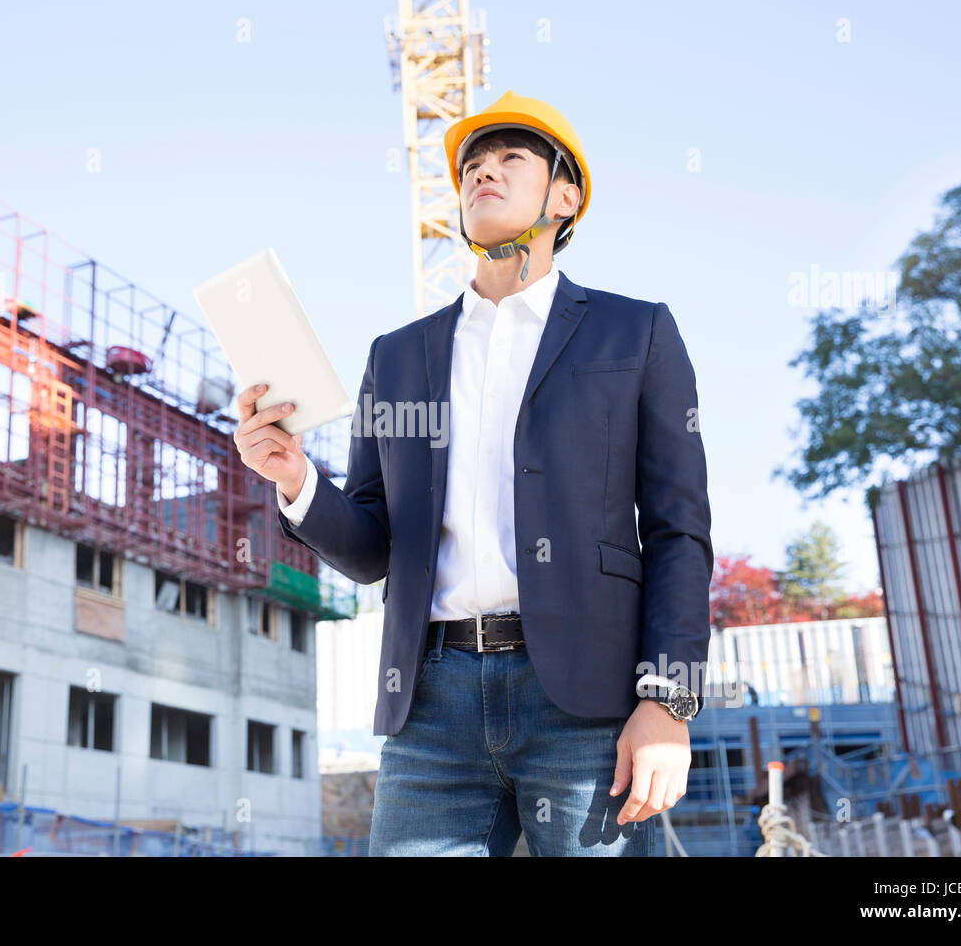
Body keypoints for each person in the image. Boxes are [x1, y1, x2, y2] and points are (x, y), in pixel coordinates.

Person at [234, 91, 713, 856]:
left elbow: (677, 530)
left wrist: (667, 700)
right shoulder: (396, 355)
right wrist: (296, 480)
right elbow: (369, 548)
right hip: (430, 710)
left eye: (510, 160)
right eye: (471, 168)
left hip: (585, 706)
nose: (482, 175)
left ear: (566, 196)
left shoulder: (636, 331)